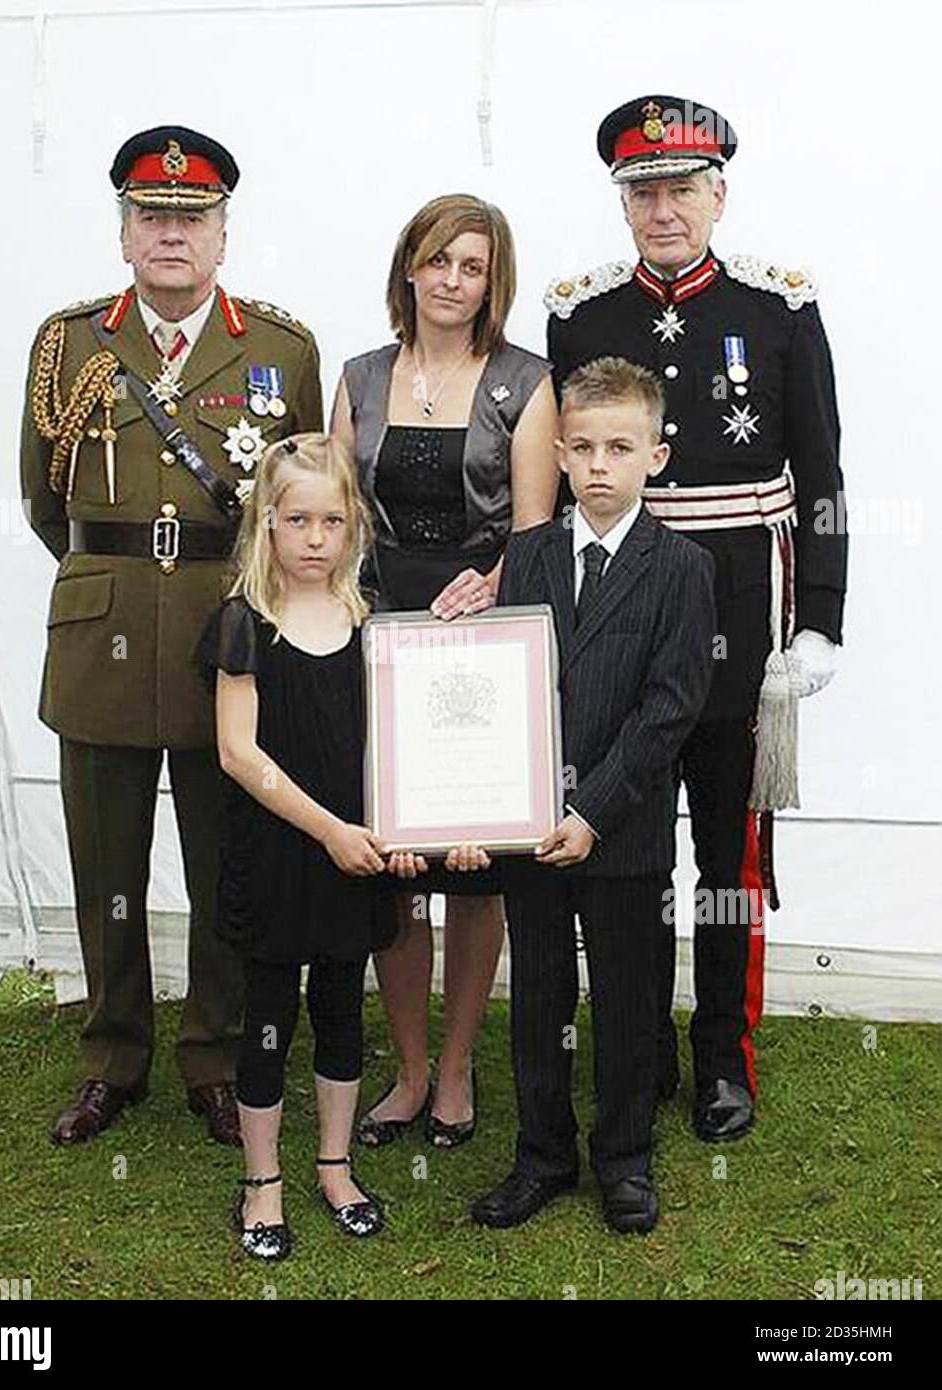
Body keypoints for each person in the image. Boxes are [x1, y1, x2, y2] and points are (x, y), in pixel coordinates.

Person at [543, 95, 847, 1142]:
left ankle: (724, 1055)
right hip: (621, 615)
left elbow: (820, 476)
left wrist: (820, 625)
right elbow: (558, 482)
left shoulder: (779, 309)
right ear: (623, 204)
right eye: (644, 192)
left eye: (682, 188)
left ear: (718, 193)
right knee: (626, 852)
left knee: (728, 860)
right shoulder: (580, 316)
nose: (663, 209)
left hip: (740, 616)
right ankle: (637, 1045)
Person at [20, 125, 322, 1147]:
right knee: (106, 862)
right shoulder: (70, 343)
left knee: (220, 859)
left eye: (192, 219)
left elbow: (303, 504)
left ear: (223, 234)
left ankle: (213, 1055)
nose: (172, 235)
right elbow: (40, 497)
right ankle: (113, 1057)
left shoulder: (281, 351)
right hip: (101, 628)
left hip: (219, 630)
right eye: (153, 217)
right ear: (124, 234)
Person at [196, 434, 465, 1261]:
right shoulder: (244, 626)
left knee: (343, 1010)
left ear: (355, 528)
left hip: (361, 857)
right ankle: (263, 1180)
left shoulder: (373, 624)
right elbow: (239, 754)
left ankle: (336, 1165)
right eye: (298, 519)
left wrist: (415, 829)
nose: (315, 537)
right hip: (283, 854)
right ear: (265, 526)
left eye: (333, 520)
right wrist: (330, 833)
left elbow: (403, 743)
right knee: (271, 1017)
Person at [331, 193, 559, 1148]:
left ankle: (459, 1067)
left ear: (491, 280)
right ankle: (410, 1068)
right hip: (381, 637)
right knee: (396, 868)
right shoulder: (359, 376)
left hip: (483, 638)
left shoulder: (526, 381)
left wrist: (490, 581)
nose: (453, 281)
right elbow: (332, 517)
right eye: (438, 261)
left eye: (472, 266)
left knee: (474, 873)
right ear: (409, 268)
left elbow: (538, 533)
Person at [471, 357, 716, 1235]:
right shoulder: (529, 554)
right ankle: (541, 1155)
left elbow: (671, 708)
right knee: (537, 996)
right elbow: (503, 684)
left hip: (623, 828)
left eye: (621, 446)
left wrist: (594, 811)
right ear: (561, 456)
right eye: (583, 447)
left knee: (624, 1002)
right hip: (531, 827)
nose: (601, 464)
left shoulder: (683, 568)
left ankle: (624, 1159)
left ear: (656, 454)